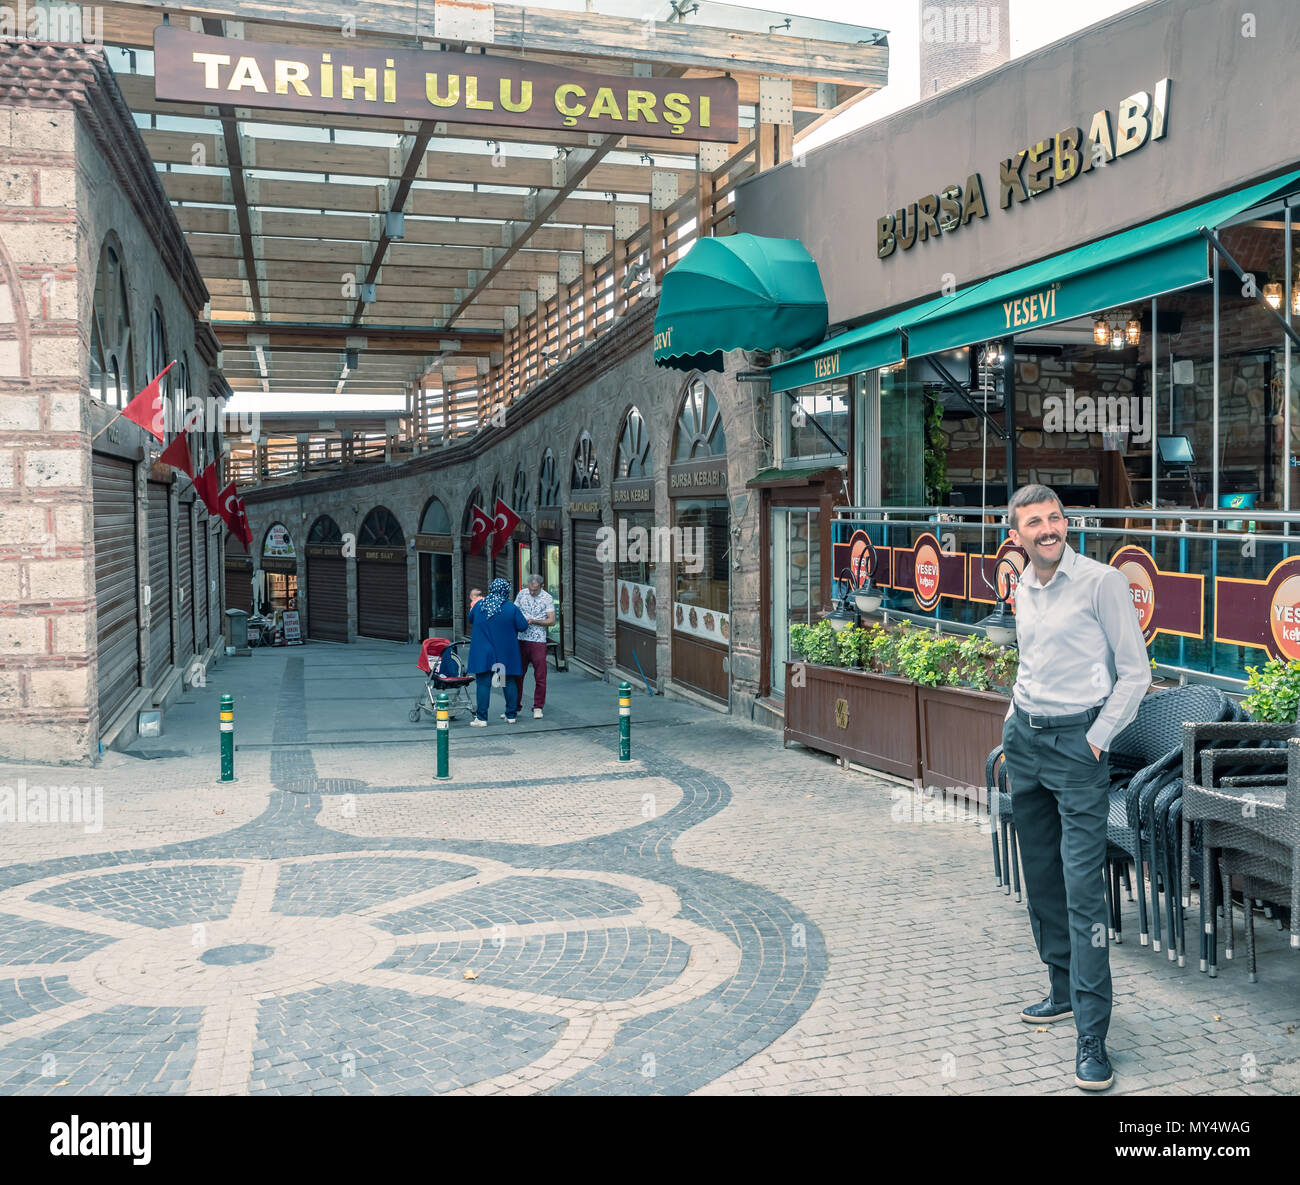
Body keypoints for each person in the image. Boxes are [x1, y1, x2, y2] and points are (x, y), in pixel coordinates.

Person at [1000, 483, 1150, 1093]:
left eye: (1054, 517)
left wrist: (1096, 740)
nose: (1047, 529)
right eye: (1033, 522)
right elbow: (1032, 664)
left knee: (1084, 891)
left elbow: (1136, 673)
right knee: (1040, 876)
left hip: (1076, 748)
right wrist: (1014, 721)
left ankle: (1093, 1033)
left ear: (1067, 521)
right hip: (1026, 743)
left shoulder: (1101, 582)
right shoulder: (1023, 587)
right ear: (1017, 535)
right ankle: (1061, 987)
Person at [465, 578, 529, 726]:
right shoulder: (511, 608)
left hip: (484, 654)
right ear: (506, 591)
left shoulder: (479, 606)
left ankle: (482, 718)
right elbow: (523, 626)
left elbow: (470, 619)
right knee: (507, 682)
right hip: (504, 655)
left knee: (483, 684)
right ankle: (511, 715)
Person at [513, 574, 556, 719]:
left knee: (540, 676)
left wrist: (535, 621)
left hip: (538, 640)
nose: (532, 592)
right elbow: (514, 611)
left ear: (541, 586)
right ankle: (515, 707)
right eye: (530, 589)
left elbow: (552, 621)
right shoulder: (521, 594)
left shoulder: (547, 598)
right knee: (518, 674)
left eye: (535, 590)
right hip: (521, 639)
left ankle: (538, 707)